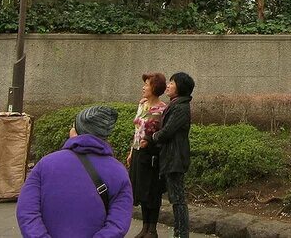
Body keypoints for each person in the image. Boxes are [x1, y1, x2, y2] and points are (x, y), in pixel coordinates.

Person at [16, 104, 132, 238]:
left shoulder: (45, 164)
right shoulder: (119, 172)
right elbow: (118, 224)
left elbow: (26, 211)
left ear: (74, 133)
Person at [150, 72, 194, 238]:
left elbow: (167, 132)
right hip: (170, 156)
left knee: (178, 199)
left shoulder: (181, 107)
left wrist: (153, 136)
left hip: (175, 157)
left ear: (180, 87)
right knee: (175, 198)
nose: (168, 85)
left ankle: (181, 234)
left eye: (172, 83)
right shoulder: (175, 104)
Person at [128, 73, 168, 238]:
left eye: (147, 84)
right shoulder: (142, 104)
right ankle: (144, 227)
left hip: (152, 154)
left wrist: (150, 143)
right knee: (142, 190)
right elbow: (136, 130)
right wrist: (131, 151)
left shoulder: (163, 109)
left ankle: (152, 228)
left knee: (153, 190)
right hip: (138, 152)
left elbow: (164, 134)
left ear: (155, 87)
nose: (143, 87)